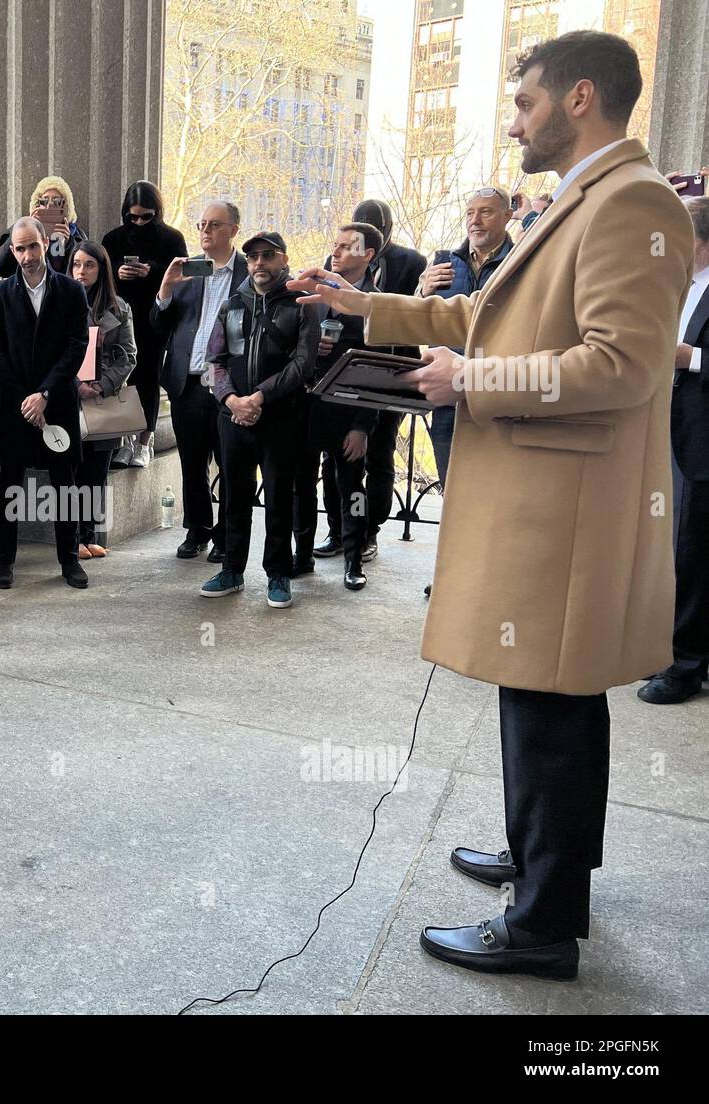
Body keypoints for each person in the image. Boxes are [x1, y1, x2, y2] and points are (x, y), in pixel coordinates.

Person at [292, 29, 693, 979]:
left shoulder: (633, 203)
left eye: (525, 102)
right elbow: (485, 314)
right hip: (546, 494)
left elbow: (623, 365)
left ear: (581, 97)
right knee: (540, 695)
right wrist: (362, 306)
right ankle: (541, 856)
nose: (515, 119)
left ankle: (544, 923)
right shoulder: (581, 201)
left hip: (568, 505)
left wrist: (471, 379)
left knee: (552, 698)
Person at [201, 230, 317, 608]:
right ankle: (232, 570)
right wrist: (232, 399)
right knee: (234, 496)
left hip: (280, 417)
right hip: (232, 417)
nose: (259, 264)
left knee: (279, 497)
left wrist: (261, 396)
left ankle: (278, 574)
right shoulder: (233, 304)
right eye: (252, 258)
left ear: (283, 259)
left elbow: (303, 364)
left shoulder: (301, 303)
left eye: (268, 256)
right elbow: (215, 359)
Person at [0, 216, 90, 590]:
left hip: (57, 401)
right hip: (15, 406)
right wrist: (25, 398)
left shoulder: (70, 291)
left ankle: (70, 559)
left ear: (46, 244)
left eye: (33, 246)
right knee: (9, 485)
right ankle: (4, 560)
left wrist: (45, 393)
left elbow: (76, 346)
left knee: (66, 486)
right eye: (19, 248)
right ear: (11, 251)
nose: (27, 255)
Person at [640, 194, 709, 705]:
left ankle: (683, 666)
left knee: (691, 553)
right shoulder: (669, 286)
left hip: (699, 441)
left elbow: (685, 356)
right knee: (670, 552)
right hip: (661, 432)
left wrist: (693, 357)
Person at [150, 201, 248, 561]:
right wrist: (164, 290)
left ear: (233, 230)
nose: (205, 231)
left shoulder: (248, 275)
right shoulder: (188, 272)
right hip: (188, 382)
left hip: (228, 387)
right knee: (191, 462)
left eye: (214, 225)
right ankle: (197, 530)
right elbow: (158, 325)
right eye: (201, 224)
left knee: (229, 463)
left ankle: (225, 538)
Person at [336, 197, 426, 563]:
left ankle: (369, 530)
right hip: (348, 373)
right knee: (341, 460)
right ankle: (342, 531)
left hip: (395, 372)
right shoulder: (339, 262)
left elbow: (414, 312)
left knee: (379, 453)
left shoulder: (412, 262)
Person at [294, 223, 381, 589]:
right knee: (304, 485)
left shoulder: (378, 304)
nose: (338, 252)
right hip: (309, 409)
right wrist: (313, 351)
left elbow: (377, 372)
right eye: (336, 245)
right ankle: (303, 555)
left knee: (353, 490)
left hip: (351, 413)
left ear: (368, 255)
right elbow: (292, 351)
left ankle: (354, 558)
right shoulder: (315, 296)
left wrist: (363, 426)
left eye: (348, 247)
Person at [416, 187, 516, 486]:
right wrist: (423, 292)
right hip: (448, 395)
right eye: (470, 213)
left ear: (508, 216)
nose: (476, 220)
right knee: (452, 487)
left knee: (494, 490)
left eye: (486, 212)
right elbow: (418, 318)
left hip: (497, 391)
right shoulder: (445, 262)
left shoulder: (522, 261)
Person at [101, 180, 187, 469]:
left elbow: (182, 274)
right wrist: (118, 271)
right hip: (119, 317)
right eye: (132, 216)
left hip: (154, 317)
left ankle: (144, 440)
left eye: (146, 216)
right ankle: (124, 440)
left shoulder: (171, 238)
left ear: (157, 212)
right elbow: (101, 271)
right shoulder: (113, 238)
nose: (138, 223)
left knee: (148, 376)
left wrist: (152, 271)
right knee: (118, 376)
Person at [68, 240, 137, 557]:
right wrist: (75, 383)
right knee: (71, 470)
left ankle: (89, 535)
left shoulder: (119, 308)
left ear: (102, 268)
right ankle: (71, 539)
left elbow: (129, 356)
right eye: (77, 264)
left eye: (89, 264)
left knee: (96, 472)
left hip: (104, 399)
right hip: (69, 397)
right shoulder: (59, 302)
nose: (81, 271)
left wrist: (103, 384)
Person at [0, 176, 86, 280]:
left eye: (57, 201)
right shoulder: (20, 229)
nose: (49, 206)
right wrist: (26, 231)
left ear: (65, 206)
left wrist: (68, 244)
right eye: (44, 201)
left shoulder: (76, 235)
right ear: (37, 205)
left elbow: (79, 276)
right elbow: (1, 269)